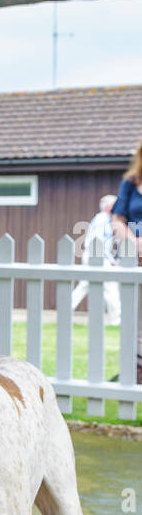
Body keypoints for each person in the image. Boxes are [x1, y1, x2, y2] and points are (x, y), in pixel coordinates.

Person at [111, 138, 142, 378]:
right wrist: (135, 243)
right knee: (134, 317)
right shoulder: (130, 183)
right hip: (133, 260)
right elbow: (118, 219)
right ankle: (135, 369)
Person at [71, 194, 120, 325]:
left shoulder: (104, 219)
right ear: (109, 207)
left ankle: (65, 311)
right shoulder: (102, 220)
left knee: (84, 286)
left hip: (94, 256)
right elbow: (97, 243)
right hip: (97, 256)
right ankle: (116, 320)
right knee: (111, 286)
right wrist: (111, 260)